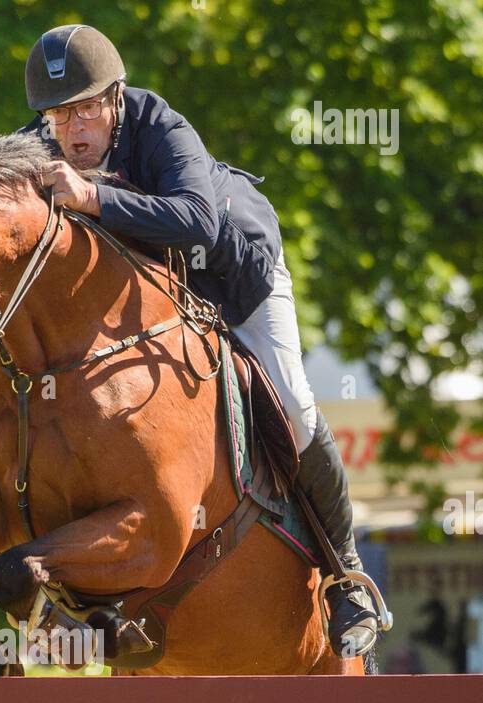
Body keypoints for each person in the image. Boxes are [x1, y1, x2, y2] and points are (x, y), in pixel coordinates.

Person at [19, 24, 383, 658]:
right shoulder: (39, 144)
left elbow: (198, 221)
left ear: (116, 99)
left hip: (236, 277)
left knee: (293, 405)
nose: (72, 129)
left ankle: (347, 575)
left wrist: (92, 196)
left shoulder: (161, 126)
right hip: (154, 296)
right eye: (58, 114)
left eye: (86, 109)